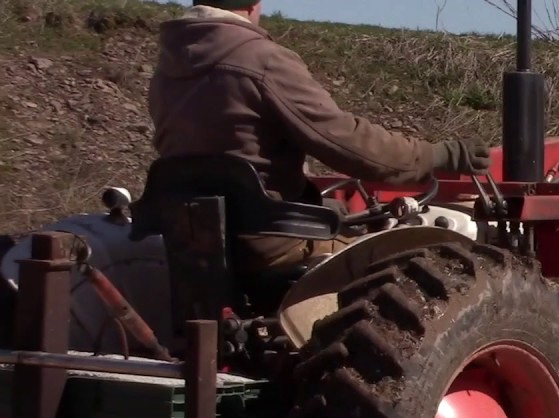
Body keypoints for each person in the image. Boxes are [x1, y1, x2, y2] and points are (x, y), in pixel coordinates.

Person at [148, 0, 492, 273]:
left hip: (195, 240)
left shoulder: (168, 67)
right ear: (254, 5)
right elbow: (346, 143)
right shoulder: (260, 60)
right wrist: (435, 156)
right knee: (423, 263)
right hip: (272, 242)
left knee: (333, 209)